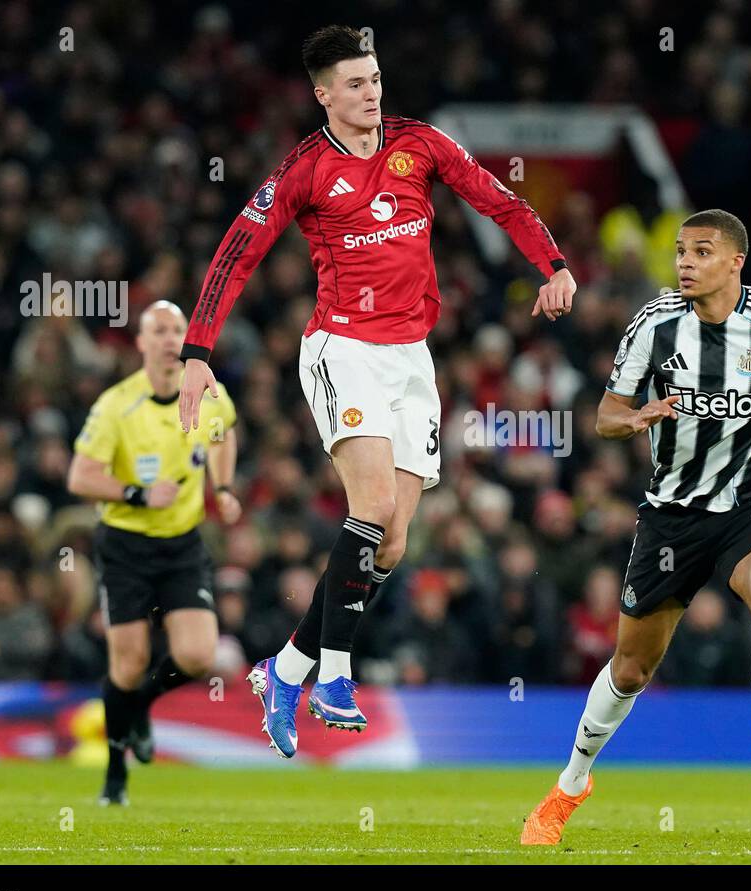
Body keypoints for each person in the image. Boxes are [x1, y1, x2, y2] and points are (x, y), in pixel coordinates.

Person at [175, 25, 575, 752]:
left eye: (376, 80)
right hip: (343, 349)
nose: (371, 94)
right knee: (375, 505)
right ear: (323, 94)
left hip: (411, 359)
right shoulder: (303, 170)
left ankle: (285, 668)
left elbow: (498, 201)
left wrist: (552, 264)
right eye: (355, 84)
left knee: (390, 545)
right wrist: (199, 349)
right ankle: (334, 671)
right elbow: (237, 253)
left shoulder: (419, 145)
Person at [520, 209, 751, 844]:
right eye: (679, 252)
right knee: (632, 668)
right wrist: (638, 417)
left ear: (735, 261)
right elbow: (605, 415)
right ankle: (571, 784)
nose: (685, 263)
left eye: (700, 252)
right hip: (672, 517)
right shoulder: (653, 323)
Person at [68, 301, 241, 805]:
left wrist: (224, 486)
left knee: (196, 653)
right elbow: (80, 476)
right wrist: (137, 493)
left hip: (182, 543)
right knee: (128, 663)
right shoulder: (116, 406)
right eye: (158, 331)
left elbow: (223, 432)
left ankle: (142, 705)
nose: (169, 340)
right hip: (125, 545)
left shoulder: (209, 394)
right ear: (141, 343)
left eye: (177, 331)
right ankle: (114, 774)